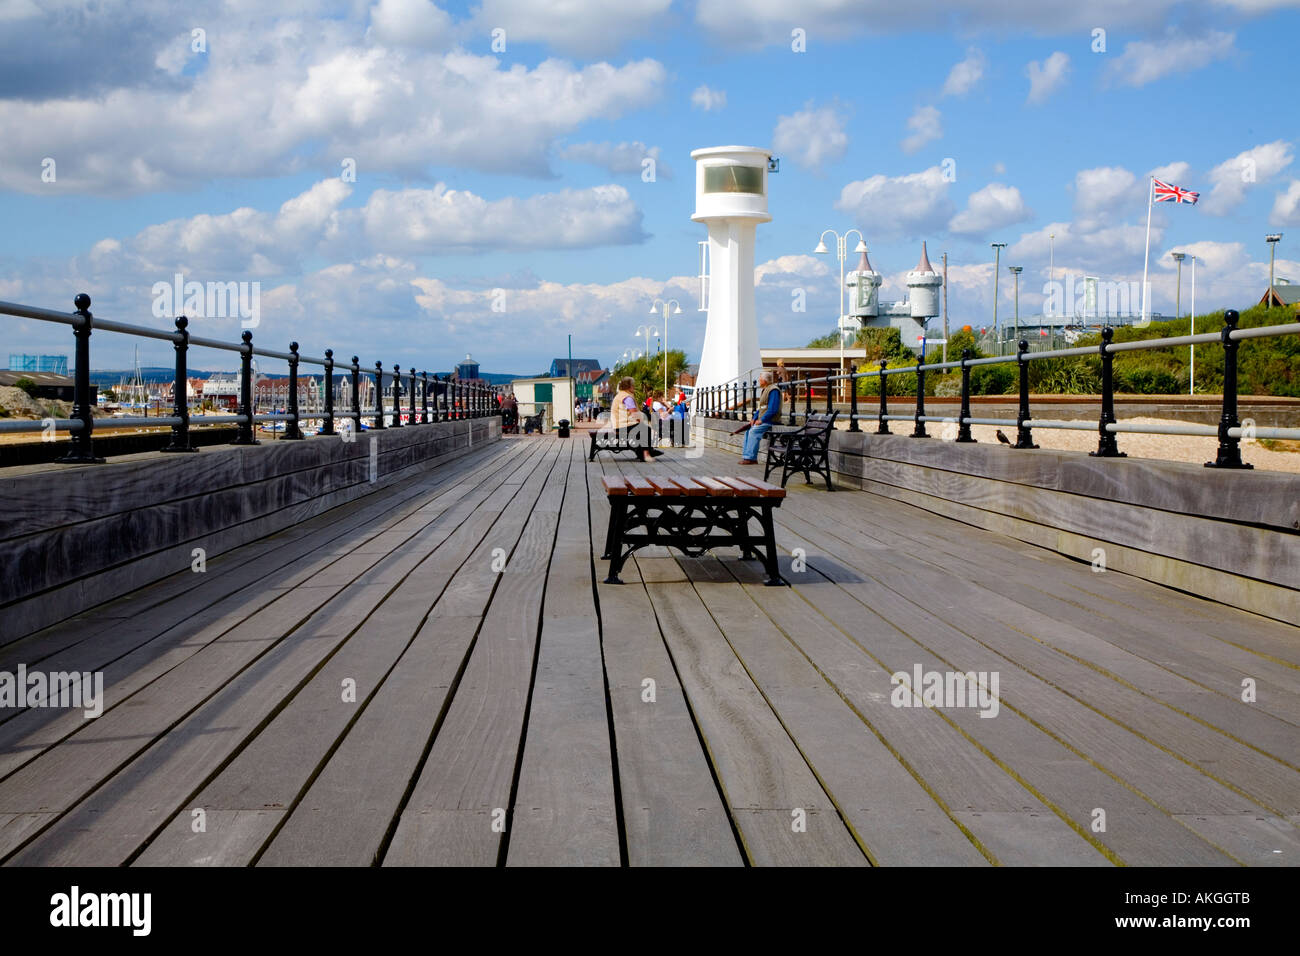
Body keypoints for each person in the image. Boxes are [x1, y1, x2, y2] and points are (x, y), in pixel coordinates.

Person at [611, 376, 661, 461]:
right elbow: (634, 413)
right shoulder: (627, 397)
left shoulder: (620, 395)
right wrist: (642, 421)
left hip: (619, 424)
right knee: (645, 429)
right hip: (623, 425)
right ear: (628, 387)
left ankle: (644, 452)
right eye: (633, 385)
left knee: (642, 429)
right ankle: (647, 454)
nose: (634, 387)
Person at [740, 369, 782, 464]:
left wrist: (762, 420)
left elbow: (773, 409)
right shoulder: (765, 390)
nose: (759, 380)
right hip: (765, 420)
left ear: (765, 380)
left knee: (754, 432)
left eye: (760, 379)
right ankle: (746, 456)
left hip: (771, 420)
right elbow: (761, 408)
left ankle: (751, 458)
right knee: (748, 431)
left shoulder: (773, 390)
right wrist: (754, 418)